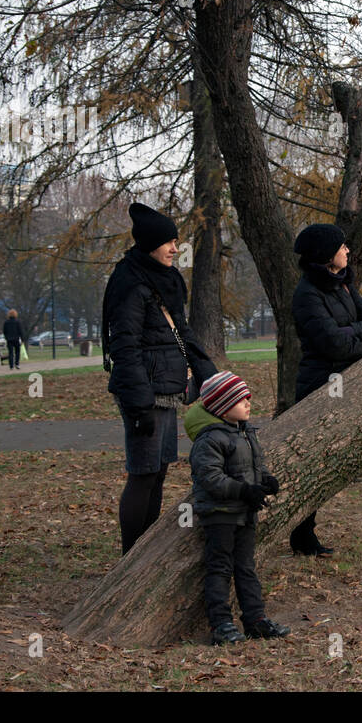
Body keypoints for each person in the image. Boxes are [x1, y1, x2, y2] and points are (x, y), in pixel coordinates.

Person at [104, 202, 217, 555]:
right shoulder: (131, 283)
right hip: (145, 397)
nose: (174, 248)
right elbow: (125, 347)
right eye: (169, 242)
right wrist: (138, 404)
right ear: (151, 244)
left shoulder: (162, 280)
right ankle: (129, 560)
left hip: (166, 393)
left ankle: (144, 555)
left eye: (176, 241)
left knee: (158, 473)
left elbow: (183, 332)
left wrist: (209, 375)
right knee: (143, 474)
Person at [289, 222, 362, 556]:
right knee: (314, 459)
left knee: (332, 460)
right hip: (321, 384)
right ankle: (301, 533)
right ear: (326, 255)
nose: (348, 251)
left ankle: (304, 533)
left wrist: (350, 330)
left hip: (349, 379)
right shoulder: (307, 294)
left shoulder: (343, 284)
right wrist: (354, 334)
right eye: (342, 247)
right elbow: (332, 344)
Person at [186, 370, 291, 645]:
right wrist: (245, 490)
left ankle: (255, 619)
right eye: (241, 399)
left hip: (245, 513)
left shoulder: (245, 432)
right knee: (220, 568)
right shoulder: (209, 440)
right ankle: (221, 624)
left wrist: (265, 480)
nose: (248, 403)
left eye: (248, 398)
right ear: (222, 407)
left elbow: (255, 465)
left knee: (246, 567)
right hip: (220, 515)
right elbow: (211, 478)